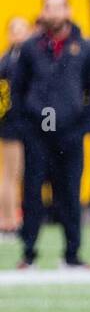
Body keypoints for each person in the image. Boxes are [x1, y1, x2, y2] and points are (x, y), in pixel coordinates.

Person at [9, 0, 90, 268]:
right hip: (37, 133)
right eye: (49, 7)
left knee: (70, 193)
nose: (55, 13)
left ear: (69, 11)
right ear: (43, 12)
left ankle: (72, 254)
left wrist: (83, 125)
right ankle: (29, 253)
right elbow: (18, 89)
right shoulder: (29, 48)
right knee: (33, 192)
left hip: (70, 132)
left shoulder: (85, 48)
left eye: (60, 7)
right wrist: (26, 124)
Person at [0, 16, 32, 239]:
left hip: (19, 123)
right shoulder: (10, 61)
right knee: (10, 174)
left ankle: (11, 218)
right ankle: (8, 221)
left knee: (13, 174)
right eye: (16, 30)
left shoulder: (19, 58)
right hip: (13, 124)